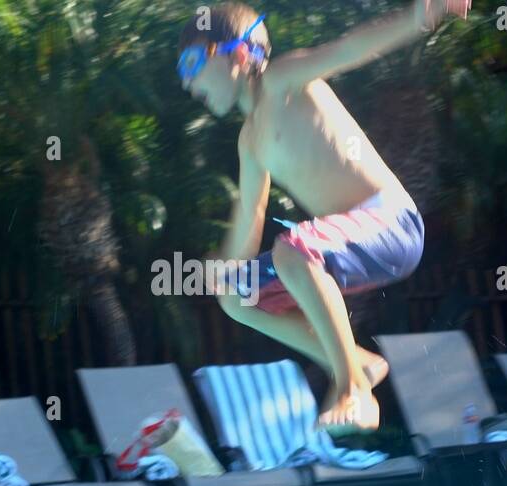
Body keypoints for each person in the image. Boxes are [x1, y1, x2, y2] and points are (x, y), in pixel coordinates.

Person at [177, 1, 470, 435]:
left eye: (191, 63)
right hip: (343, 248)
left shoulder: (282, 80)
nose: (186, 82)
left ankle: (354, 392)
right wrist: (220, 271)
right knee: (237, 297)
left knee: (291, 251)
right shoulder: (249, 141)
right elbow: (250, 217)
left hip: (391, 223)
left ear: (238, 53)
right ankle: (359, 363)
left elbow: (351, 49)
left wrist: (420, 16)